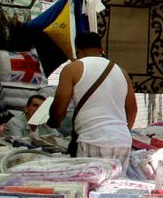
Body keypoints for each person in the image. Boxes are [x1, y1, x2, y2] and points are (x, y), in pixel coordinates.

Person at [49, 32, 136, 162]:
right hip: (121, 141)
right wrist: (119, 132)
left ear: (77, 50)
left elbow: (59, 110)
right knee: (116, 182)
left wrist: (53, 122)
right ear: (101, 50)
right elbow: (132, 110)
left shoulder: (72, 69)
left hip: (91, 139)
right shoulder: (121, 71)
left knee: (90, 181)